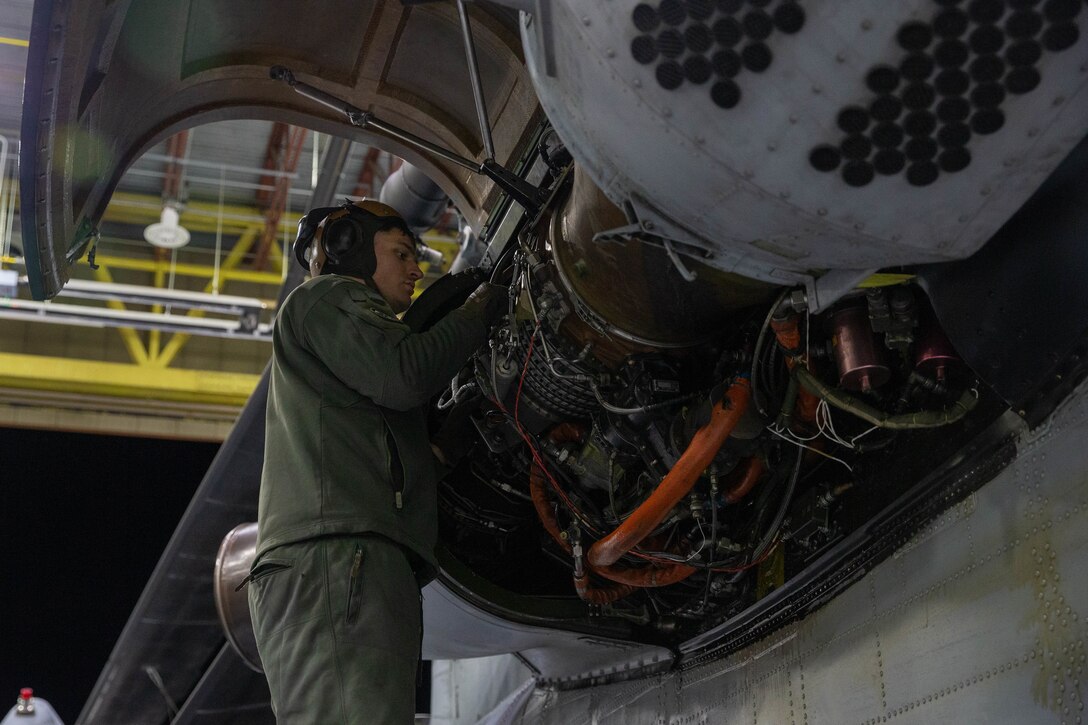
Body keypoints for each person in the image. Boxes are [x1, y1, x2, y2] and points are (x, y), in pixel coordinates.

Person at [246, 198, 504, 723]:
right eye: (401, 254)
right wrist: (484, 309)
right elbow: (404, 374)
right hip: (339, 563)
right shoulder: (327, 297)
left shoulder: (347, 344)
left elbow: (379, 452)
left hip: (354, 563)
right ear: (351, 249)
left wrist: (441, 449)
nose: (417, 269)